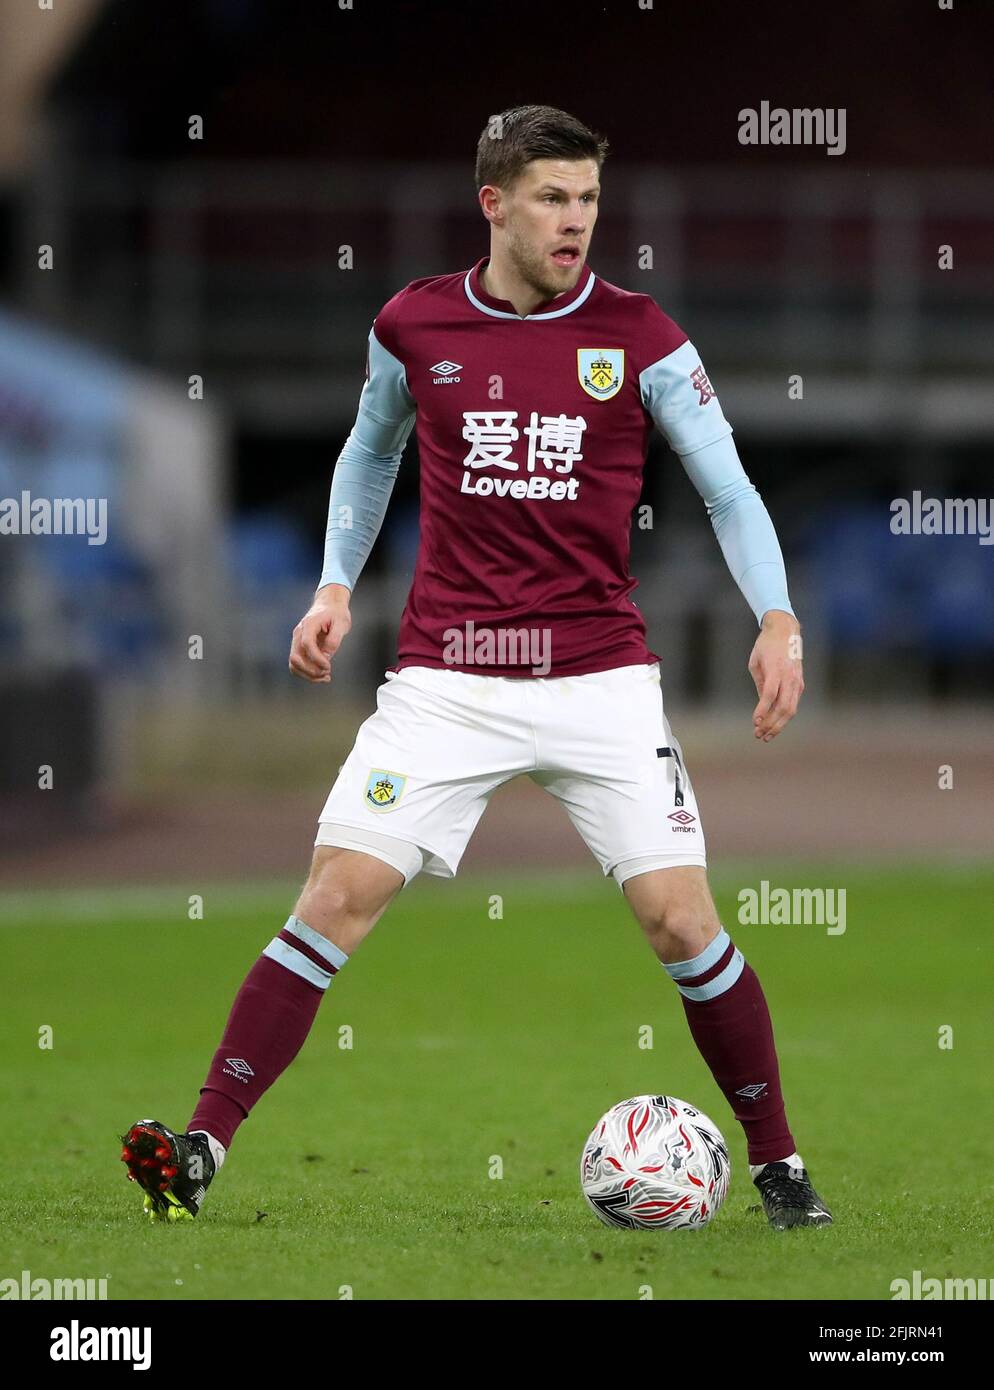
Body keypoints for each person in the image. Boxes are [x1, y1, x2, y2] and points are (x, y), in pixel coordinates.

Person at [122, 104, 830, 1232]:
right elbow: (368, 451)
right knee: (333, 900)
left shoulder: (645, 338)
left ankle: (780, 1166)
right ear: (493, 204)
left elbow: (729, 488)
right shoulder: (412, 325)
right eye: (553, 198)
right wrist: (333, 587)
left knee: (681, 926)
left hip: (599, 679)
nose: (576, 222)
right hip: (445, 679)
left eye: (589, 199)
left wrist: (777, 614)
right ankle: (199, 1146)